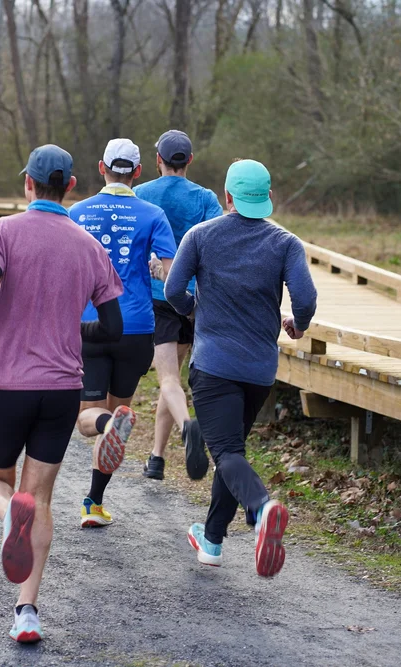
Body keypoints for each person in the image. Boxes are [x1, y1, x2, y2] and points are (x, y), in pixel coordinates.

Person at [0, 144, 124, 643]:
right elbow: (114, 327)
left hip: (10, 384)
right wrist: (69, 335)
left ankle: (10, 511)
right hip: (62, 389)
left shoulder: (2, 231)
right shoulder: (88, 245)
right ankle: (27, 613)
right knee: (43, 498)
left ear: (28, 184)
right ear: (71, 188)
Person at [164, 159, 316, 577]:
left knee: (227, 452)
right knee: (233, 450)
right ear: (269, 198)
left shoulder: (200, 236)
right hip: (259, 370)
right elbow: (305, 300)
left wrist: (194, 310)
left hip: (214, 365)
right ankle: (211, 540)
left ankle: (262, 507)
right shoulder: (286, 243)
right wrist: (297, 326)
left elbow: (173, 289)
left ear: (227, 196)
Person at [67, 138, 177, 528]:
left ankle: (104, 429)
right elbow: (173, 273)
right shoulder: (153, 213)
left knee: (91, 417)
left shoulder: (77, 212)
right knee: (117, 413)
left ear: (101, 168)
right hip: (136, 329)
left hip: (90, 326)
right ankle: (93, 503)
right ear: (138, 172)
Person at [133, 130, 224, 482]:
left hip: (158, 298)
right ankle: (156, 458)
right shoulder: (205, 198)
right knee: (172, 381)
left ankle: (188, 427)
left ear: (157, 160)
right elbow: (216, 241)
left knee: (168, 379)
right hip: (191, 300)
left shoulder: (141, 194)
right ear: (189, 161)